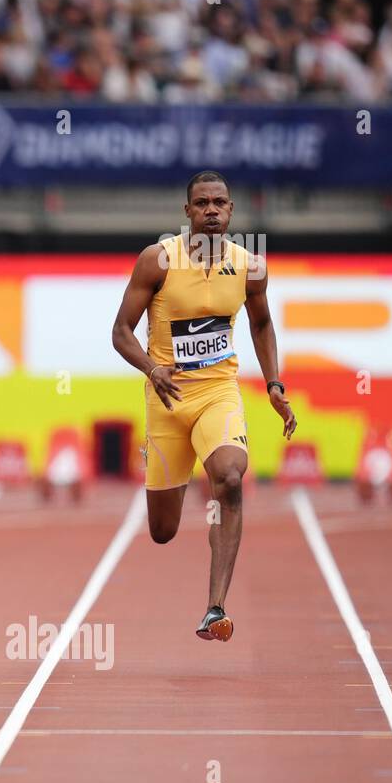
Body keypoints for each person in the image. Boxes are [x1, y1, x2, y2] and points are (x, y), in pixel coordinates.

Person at [111, 171, 297, 641]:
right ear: (187, 211)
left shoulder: (251, 267)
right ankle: (159, 458)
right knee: (162, 530)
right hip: (167, 399)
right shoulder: (158, 261)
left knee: (231, 478)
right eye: (202, 203)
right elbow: (121, 332)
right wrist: (153, 370)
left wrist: (274, 383)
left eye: (219, 202)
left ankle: (215, 608)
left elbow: (261, 324)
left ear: (232, 211)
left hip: (219, 391)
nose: (211, 210)